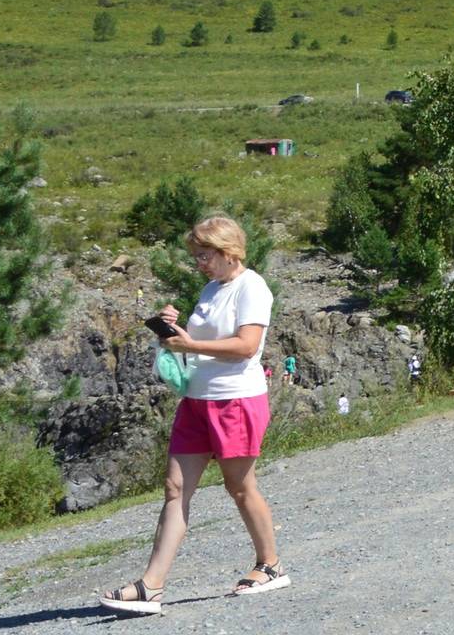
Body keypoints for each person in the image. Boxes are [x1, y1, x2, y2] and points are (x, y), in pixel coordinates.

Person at [100, 216, 288, 614]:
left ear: (228, 251)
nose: (199, 263)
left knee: (240, 487)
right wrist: (173, 330)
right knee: (175, 488)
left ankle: (270, 565)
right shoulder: (211, 288)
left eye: (204, 255)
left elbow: (246, 346)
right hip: (197, 400)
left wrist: (189, 346)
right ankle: (151, 586)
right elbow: (201, 341)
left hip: (235, 400)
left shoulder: (252, 287)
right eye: (197, 256)